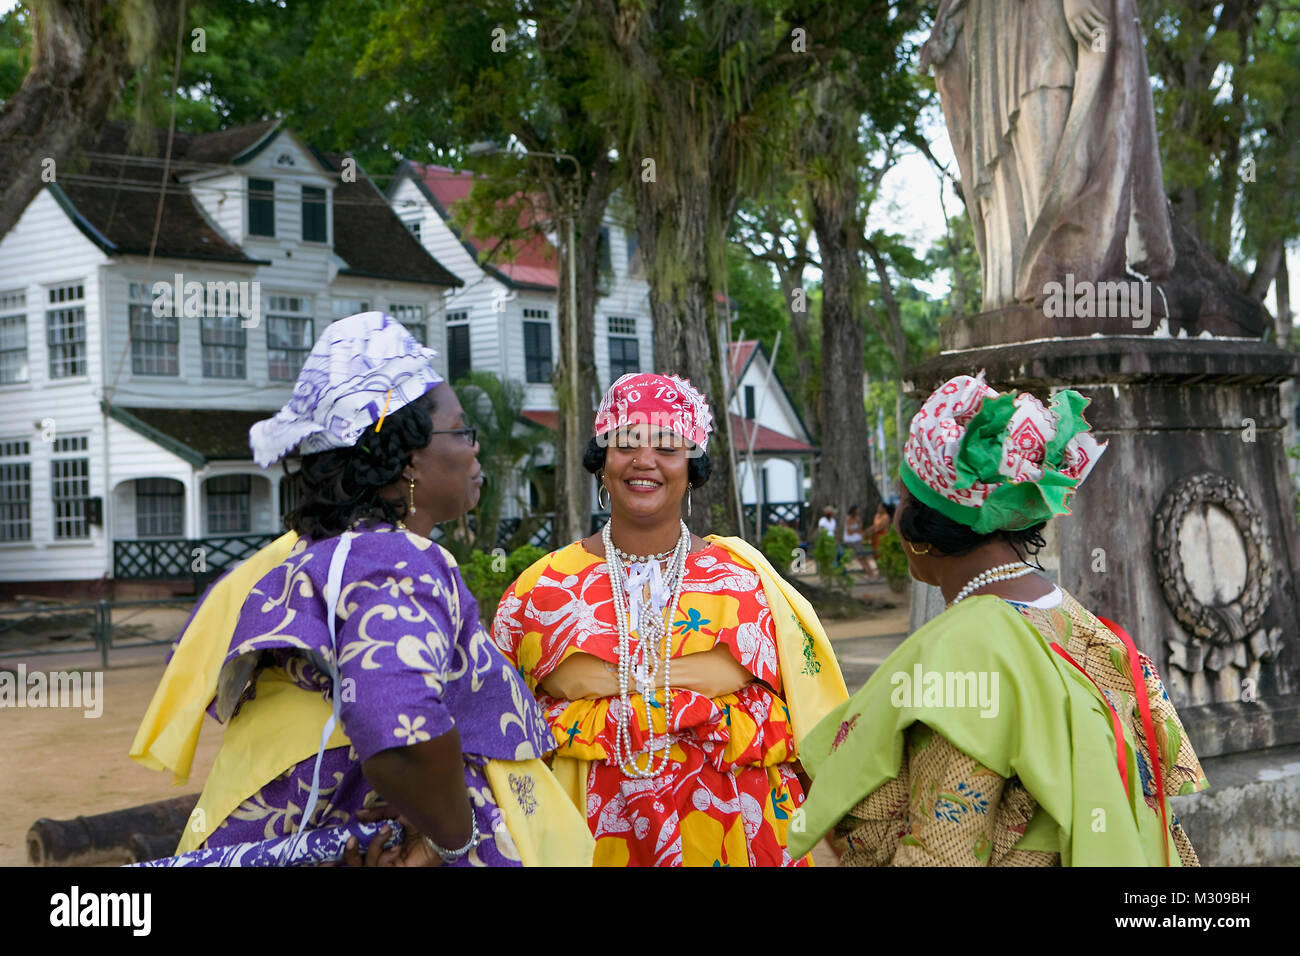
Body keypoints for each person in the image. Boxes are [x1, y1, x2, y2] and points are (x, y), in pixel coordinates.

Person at [131, 312, 592, 867]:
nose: (475, 450)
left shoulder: (325, 554)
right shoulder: (395, 561)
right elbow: (397, 724)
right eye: (463, 430)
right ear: (408, 457)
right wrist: (453, 839)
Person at [789, 372, 1208, 866]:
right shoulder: (1076, 620)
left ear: (921, 528)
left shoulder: (969, 646)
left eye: (902, 499)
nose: (896, 515)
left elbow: (942, 848)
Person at [491, 372, 849, 866]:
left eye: (667, 445)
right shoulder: (541, 588)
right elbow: (494, 725)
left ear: (691, 466)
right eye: (626, 444)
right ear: (602, 463)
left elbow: (810, 719)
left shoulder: (744, 582)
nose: (644, 461)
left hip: (734, 833)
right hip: (586, 840)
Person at [842, 505, 874, 576]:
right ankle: (869, 572)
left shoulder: (858, 518)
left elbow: (860, 529)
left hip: (857, 540)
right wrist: (856, 530)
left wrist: (855, 530)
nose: (858, 511)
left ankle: (869, 572)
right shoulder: (848, 519)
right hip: (852, 541)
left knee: (862, 557)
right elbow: (849, 532)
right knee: (861, 557)